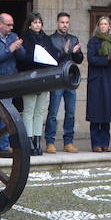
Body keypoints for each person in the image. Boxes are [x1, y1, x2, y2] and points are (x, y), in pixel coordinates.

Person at [15, 12, 60, 155]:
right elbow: (21, 58)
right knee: (29, 110)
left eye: (39, 22)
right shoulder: (24, 38)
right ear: (29, 24)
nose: (37, 25)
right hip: (29, 77)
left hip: (43, 78)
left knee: (40, 111)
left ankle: (37, 141)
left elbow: (53, 56)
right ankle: (28, 141)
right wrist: (35, 57)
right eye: (35, 22)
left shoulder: (46, 39)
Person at [44, 11, 83, 153]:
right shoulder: (50, 39)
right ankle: (50, 141)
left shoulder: (73, 38)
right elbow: (51, 61)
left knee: (71, 112)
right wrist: (65, 52)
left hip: (71, 79)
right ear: (57, 23)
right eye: (62, 22)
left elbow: (79, 60)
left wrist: (76, 53)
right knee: (53, 111)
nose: (65, 25)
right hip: (57, 79)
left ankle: (68, 142)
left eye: (67, 22)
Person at [85, 15, 111, 152]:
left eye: (106, 24)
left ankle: (105, 143)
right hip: (96, 80)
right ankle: (95, 144)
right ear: (98, 26)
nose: (103, 26)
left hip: (108, 80)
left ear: (109, 26)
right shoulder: (93, 42)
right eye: (101, 24)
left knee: (106, 113)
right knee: (96, 113)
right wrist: (107, 59)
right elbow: (92, 60)